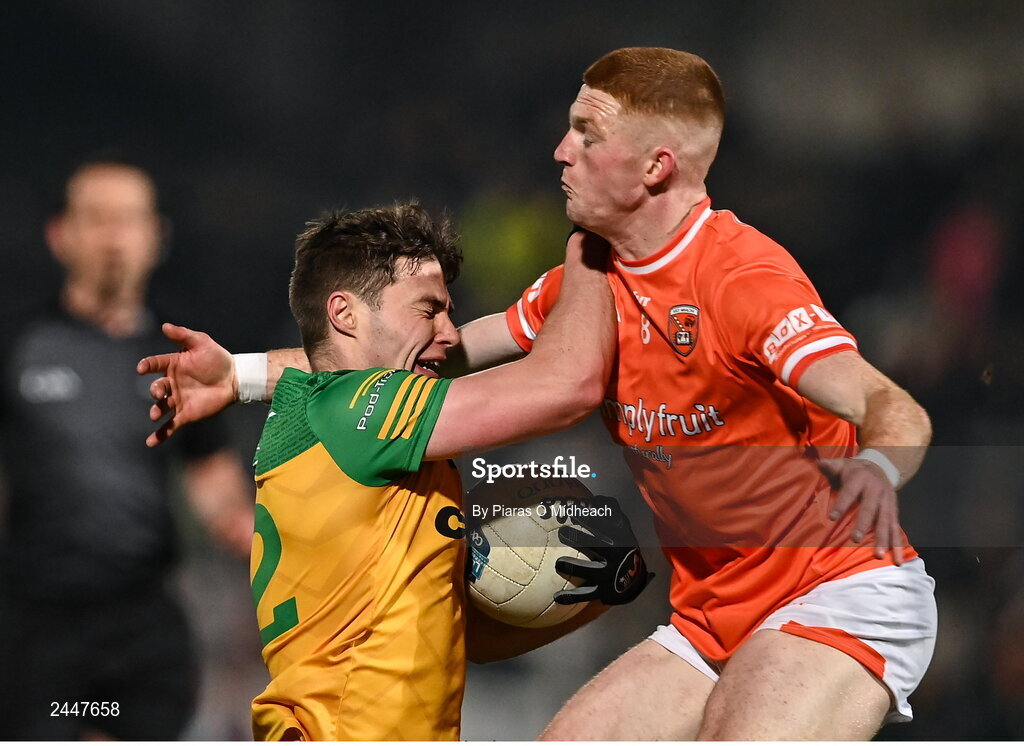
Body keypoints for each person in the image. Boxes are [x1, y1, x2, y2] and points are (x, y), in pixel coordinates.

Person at [140, 48, 938, 740]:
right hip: (710, 619)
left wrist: (877, 468)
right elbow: (423, 362)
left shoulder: (741, 279)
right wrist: (244, 374)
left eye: (587, 135)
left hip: (834, 591)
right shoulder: (584, 286)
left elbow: (894, 407)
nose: (560, 151)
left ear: (655, 165)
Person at [139, 202, 652, 740]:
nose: (449, 333)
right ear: (346, 314)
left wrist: (582, 588)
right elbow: (566, 388)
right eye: (427, 310)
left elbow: (457, 633)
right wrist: (593, 237)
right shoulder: (362, 413)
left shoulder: (333, 422)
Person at [0, 157, 254, 739]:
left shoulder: (183, 358)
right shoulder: (18, 344)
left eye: (128, 220)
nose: (114, 236)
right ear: (60, 235)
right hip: (38, 622)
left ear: (155, 237)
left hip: (144, 621)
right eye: (97, 219)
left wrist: (240, 526)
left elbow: (210, 475)